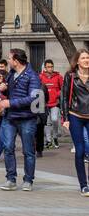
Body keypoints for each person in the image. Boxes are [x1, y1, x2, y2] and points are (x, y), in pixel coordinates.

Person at [0, 49, 41, 192]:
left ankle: (28, 180)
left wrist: (10, 103)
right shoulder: (11, 75)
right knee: (8, 147)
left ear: (16, 61)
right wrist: (3, 89)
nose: (8, 61)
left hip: (27, 118)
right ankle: (11, 179)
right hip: (10, 118)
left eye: (9, 58)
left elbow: (34, 98)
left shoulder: (32, 76)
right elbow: (10, 93)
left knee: (28, 151)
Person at [59, 48, 89, 196]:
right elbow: (64, 97)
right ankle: (84, 185)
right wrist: (64, 118)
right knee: (80, 150)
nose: (86, 60)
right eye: (83, 58)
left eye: (88, 58)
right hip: (75, 115)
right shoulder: (70, 76)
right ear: (77, 61)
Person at [40, 59, 63, 151]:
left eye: (51, 66)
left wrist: (57, 94)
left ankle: (55, 137)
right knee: (47, 122)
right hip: (44, 104)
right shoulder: (40, 77)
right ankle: (48, 141)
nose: (50, 68)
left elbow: (63, 88)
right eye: (48, 67)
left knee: (54, 119)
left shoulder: (58, 76)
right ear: (45, 68)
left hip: (55, 103)